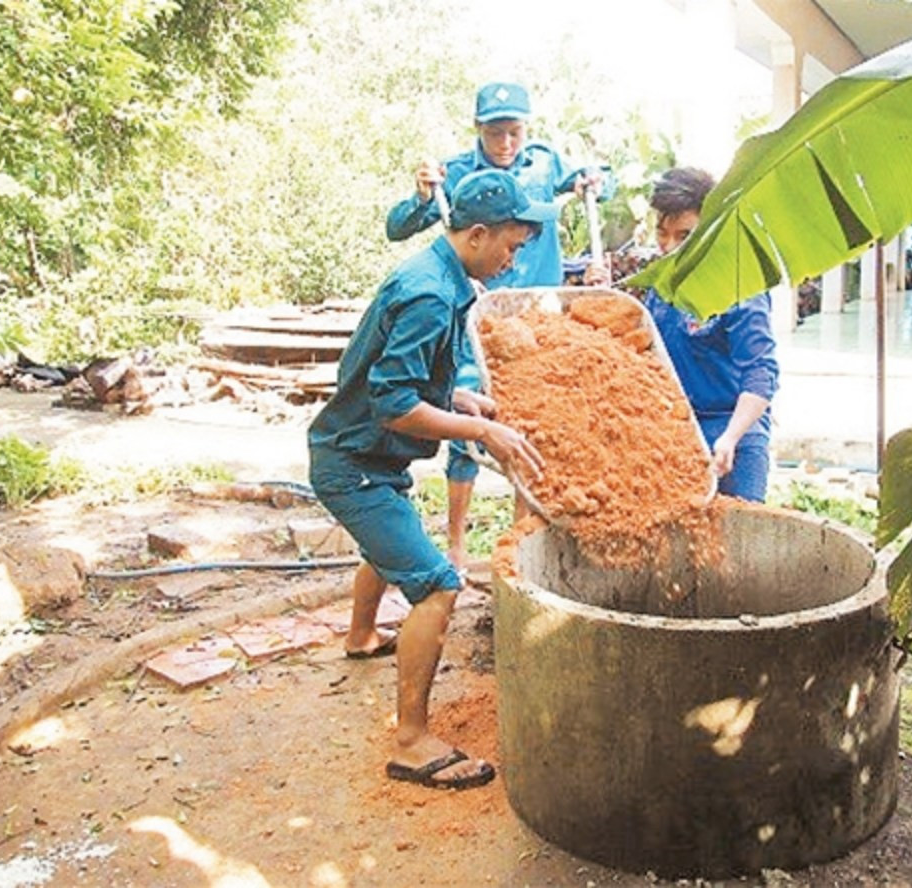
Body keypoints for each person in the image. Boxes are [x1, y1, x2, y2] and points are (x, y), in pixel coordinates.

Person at [310, 168, 548, 790]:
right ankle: (412, 741)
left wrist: (459, 398)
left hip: (365, 455)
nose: (512, 260)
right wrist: (483, 431)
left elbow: (407, 378)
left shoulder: (439, 276)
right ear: (477, 234)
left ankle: (362, 636)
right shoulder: (430, 295)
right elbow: (393, 404)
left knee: (391, 543)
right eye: (510, 246)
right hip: (354, 463)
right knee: (437, 585)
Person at [386, 81, 606, 570]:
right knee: (469, 420)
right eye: (494, 133)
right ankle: (456, 545)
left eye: (514, 132)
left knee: (534, 422)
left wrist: (593, 180)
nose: (505, 143)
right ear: (477, 129)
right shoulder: (457, 174)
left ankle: (519, 541)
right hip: (478, 317)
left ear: (526, 128)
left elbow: (594, 182)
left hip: (537, 316)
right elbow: (397, 226)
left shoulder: (545, 163)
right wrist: (421, 195)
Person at [590, 167, 779, 501]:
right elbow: (641, 347)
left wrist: (731, 438)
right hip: (676, 431)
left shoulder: (739, 285)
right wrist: (602, 297)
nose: (669, 246)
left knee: (739, 527)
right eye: (662, 233)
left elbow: (761, 373)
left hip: (733, 433)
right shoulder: (663, 284)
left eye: (683, 236)